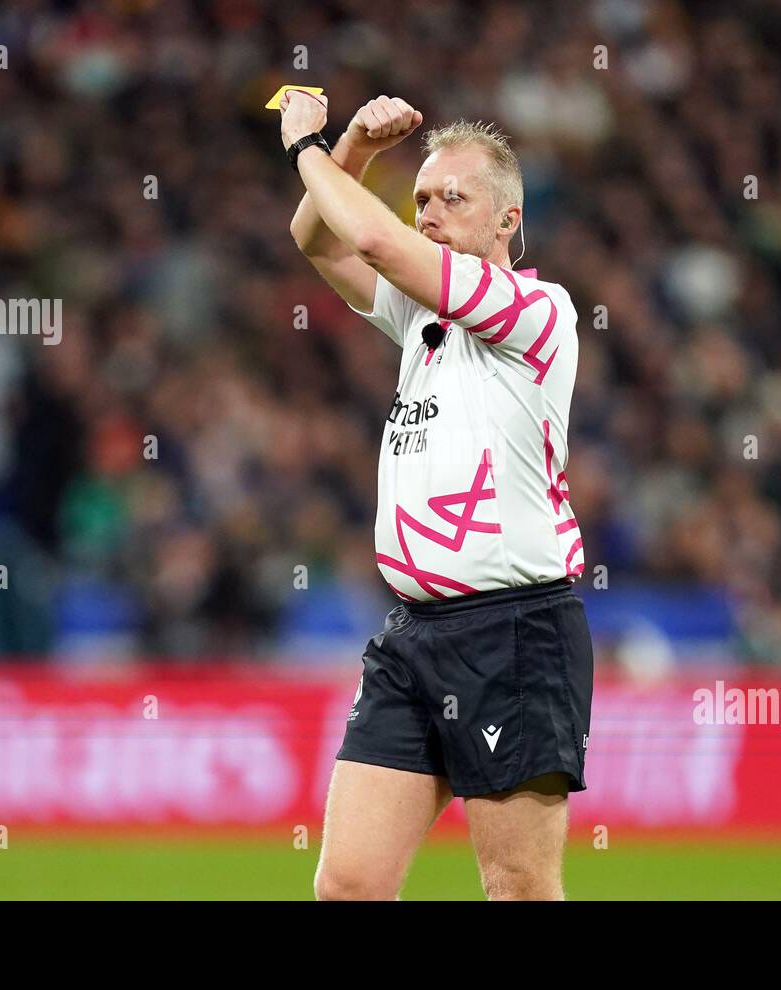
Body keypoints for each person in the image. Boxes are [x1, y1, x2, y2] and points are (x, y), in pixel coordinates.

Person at [282, 91, 594, 900]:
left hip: (515, 629)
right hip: (415, 635)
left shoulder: (532, 309)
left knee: (518, 886)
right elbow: (312, 235)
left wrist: (307, 143)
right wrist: (349, 145)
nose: (428, 212)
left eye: (452, 197)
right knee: (347, 884)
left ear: (507, 222)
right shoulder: (425, 319)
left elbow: (375, 241)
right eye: (420, 196)